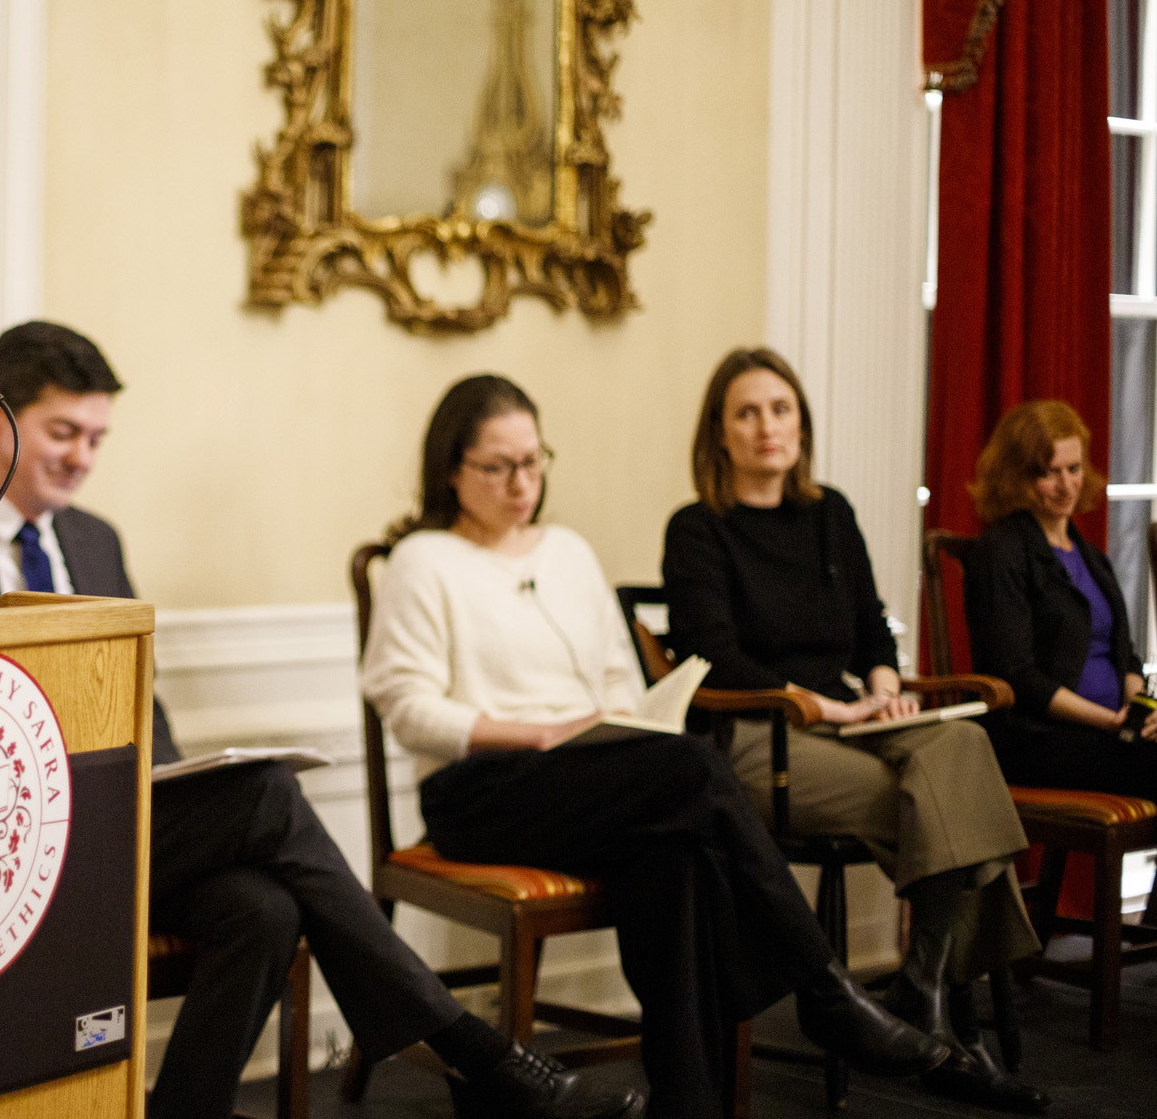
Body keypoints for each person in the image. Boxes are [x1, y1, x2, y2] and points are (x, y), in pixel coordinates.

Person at [0, 322, 643, 1119]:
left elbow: (141, 703)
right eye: (63, 432)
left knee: (264, 909)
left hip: (109, 823)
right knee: (264, 803)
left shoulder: (95, 541)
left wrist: (179, 781)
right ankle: (475, 1053)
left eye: (97, 438)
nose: (81, 457)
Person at [363, 373, 947, 1119]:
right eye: (499, 466)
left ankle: (689, 1102)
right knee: (694, 767)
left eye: (534, 461)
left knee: (672, 857)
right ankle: (824, 987)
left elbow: (616, 678)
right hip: (479, 790)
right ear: (453, 469)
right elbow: (409, 711)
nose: (522, 483)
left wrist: (615, 724)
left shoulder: (568, 552)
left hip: (584, 776)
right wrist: (540, 731)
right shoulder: (424, 560)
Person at [662, 347, 1046, 1114]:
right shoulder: (699, 528)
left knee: (963, 747)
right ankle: (947, 1027)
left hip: (854, 717)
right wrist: (819, 703)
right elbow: (712, 656)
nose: (768, 427)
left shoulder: (830, 512)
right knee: (948, 802)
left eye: (781, 409)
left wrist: (879, 687)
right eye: (747, 412)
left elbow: (871, 626)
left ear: (801, 422)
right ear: (719, 433)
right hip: (757, 739)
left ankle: (921, 994)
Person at [960, 400, 1157, 794]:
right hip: (1036, 737)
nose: (1067, 485)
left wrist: (1139, 714)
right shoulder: (1000, 551)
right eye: (1050, 473)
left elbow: (1126, 655)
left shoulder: (1090, 557)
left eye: (1074, 469)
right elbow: (1018, 676)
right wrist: (1108, 721)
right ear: (1016, 477)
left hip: (1108, 731)